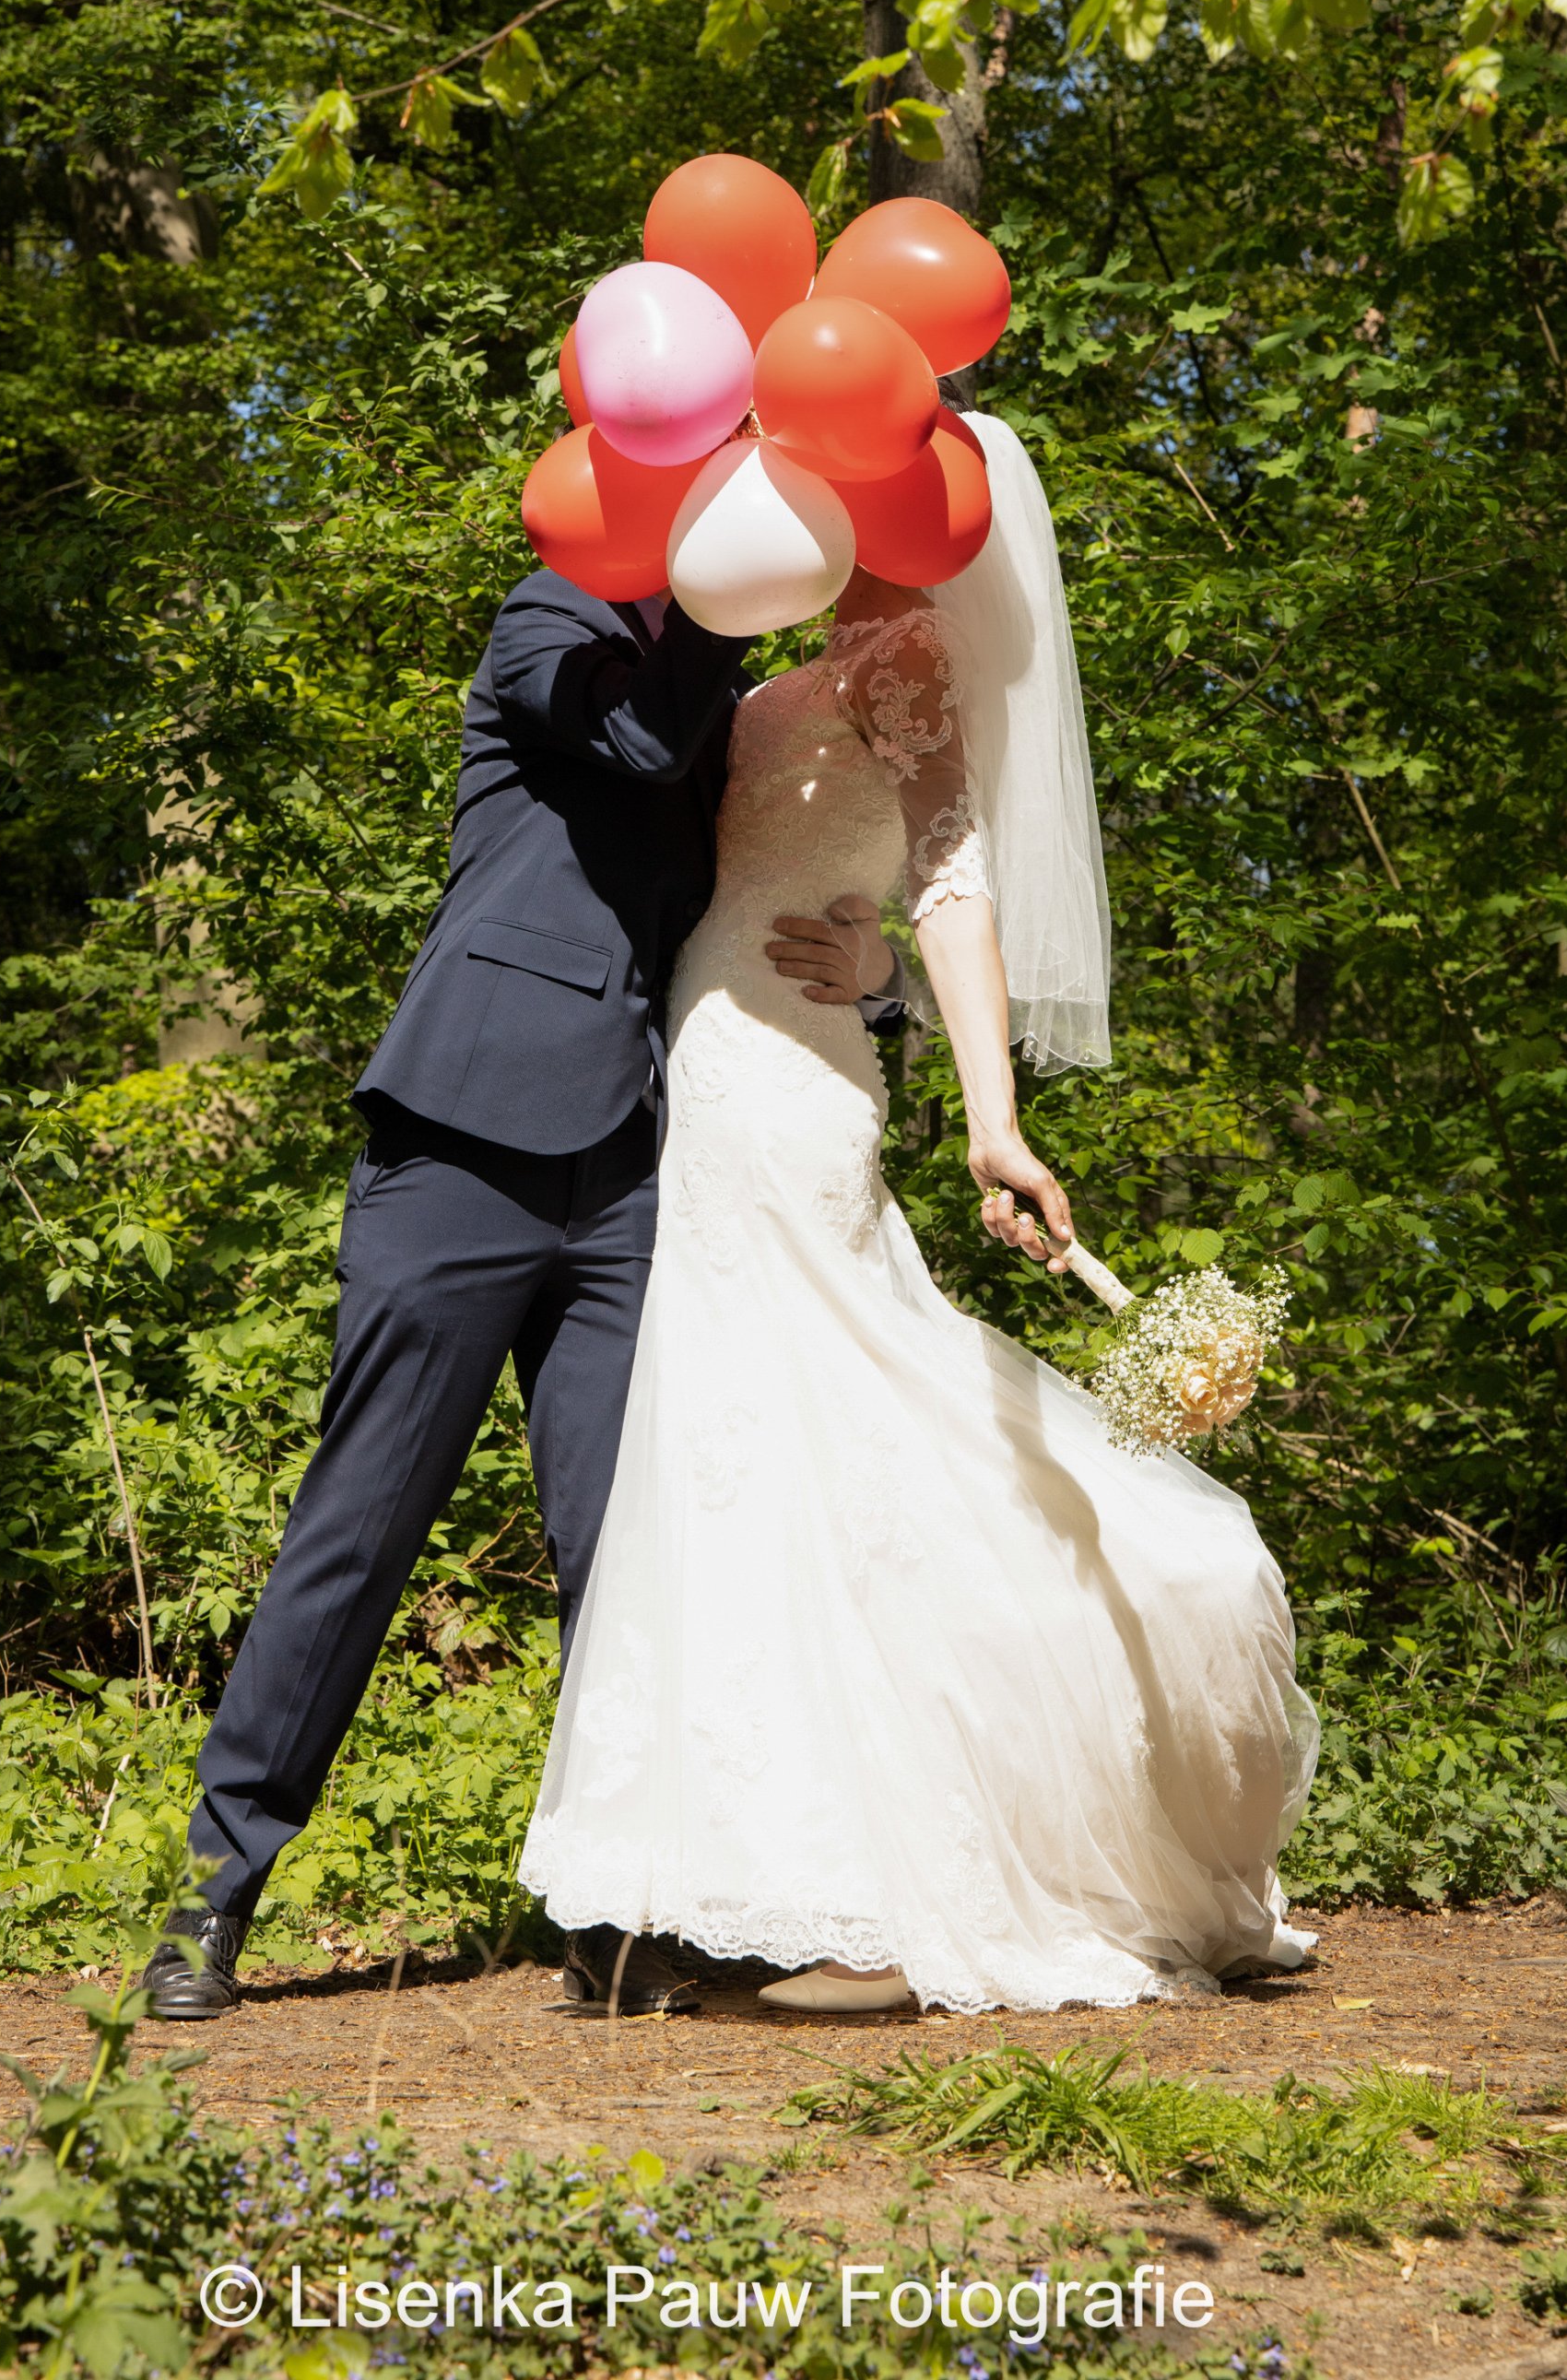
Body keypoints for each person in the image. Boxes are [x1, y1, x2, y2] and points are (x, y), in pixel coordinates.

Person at [520, 414, 1319, 2014]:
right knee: (753, 1448)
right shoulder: (783, 670)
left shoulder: (902, 659)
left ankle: (878, 1901)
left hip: (782, 1089)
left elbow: (949, 875)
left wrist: (991, 1115)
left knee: (819, 1436)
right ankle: (759, 1871)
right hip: (718, 1063)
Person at [141, 567, 905, 2019]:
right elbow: (629, 743)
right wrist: (727, 610)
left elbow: (767, 911)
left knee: (634, 1561)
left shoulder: (729, 711)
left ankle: (628, 1920)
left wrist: (878, 984)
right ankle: (210, 1900)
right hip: (462, 1149)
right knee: (357, 1530)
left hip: (637, 1180)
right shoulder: (553, 620)